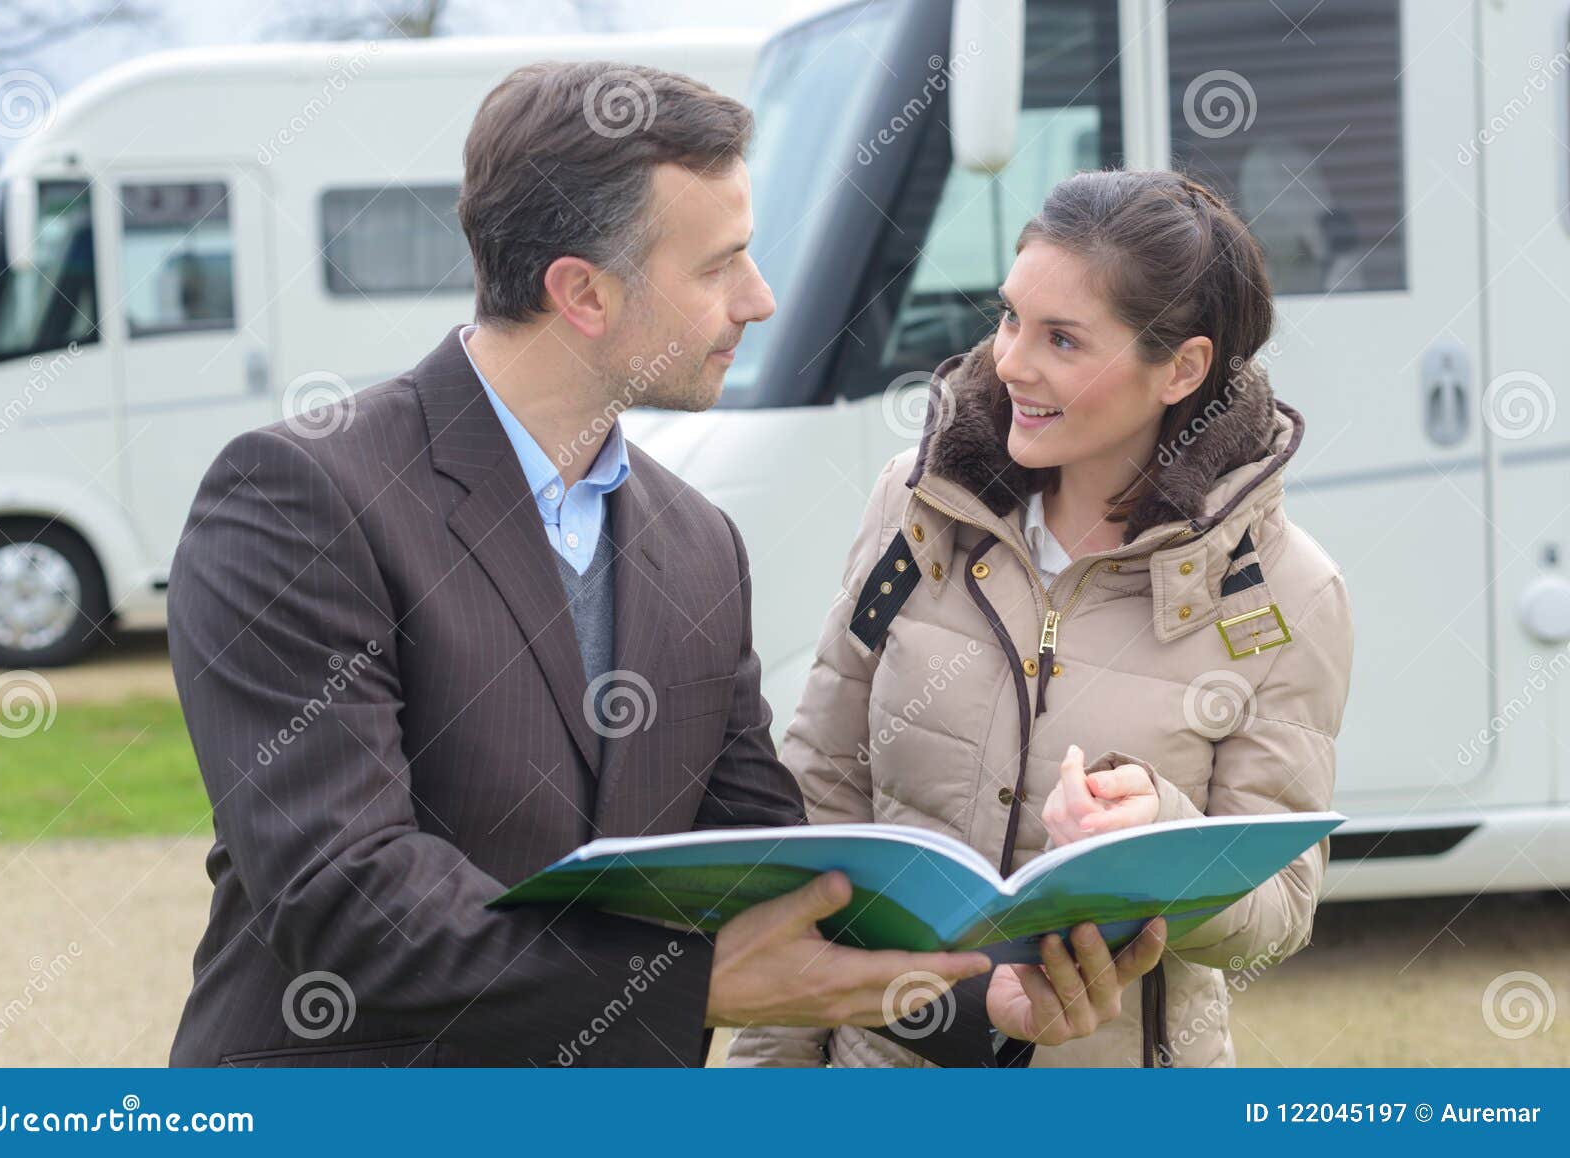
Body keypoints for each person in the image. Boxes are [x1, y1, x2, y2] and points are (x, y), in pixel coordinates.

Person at [165, 62, 1164, 1068]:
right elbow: (345, 896)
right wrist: (688, 981)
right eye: (718, 266)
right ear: (583, 295)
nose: (760, 299)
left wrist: (985, 992)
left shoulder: (695, 542)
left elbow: (775, 870)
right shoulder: (297, 499)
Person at [728, 169, 1354, 1069]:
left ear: (1182, 368)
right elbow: (821, 802)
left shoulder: (1294, 594)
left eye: (1061, 338)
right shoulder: (913, 503)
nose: (1011, 360)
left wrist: (1165, 837)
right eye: (1010, 317)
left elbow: (1276, 917)